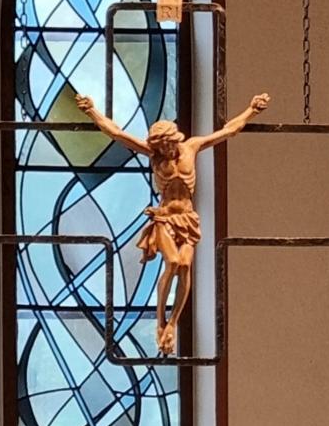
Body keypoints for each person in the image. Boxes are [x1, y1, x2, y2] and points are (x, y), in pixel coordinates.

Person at [75, 92, 270, 355]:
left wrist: (251, 110)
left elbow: (228, 131)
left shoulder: (192, 147)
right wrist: (92, 112)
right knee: (175, 262)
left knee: (186, 265)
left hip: (187, 219)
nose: (165, 150)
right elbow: (118, 134)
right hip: (165, 217)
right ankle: (160, 322)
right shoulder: (154, 156)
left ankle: (173, 324)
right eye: (160, 146)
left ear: (174, 140)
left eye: (167, 145)